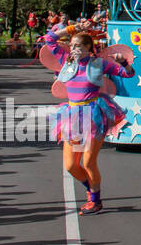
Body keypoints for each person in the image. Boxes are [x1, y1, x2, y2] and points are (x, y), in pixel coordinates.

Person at [39, 26, 134, 214]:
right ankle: (92, 190)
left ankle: (95, 201)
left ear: (88, 48)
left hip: (93, 116)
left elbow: (128, 74)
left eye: (78, 46)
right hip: (72, 116)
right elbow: (49, 39)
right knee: (71, 165)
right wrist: (70, 29)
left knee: (89, 162)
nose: (73, 49)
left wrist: (123, 62)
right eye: (72, 45)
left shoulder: (98, 63)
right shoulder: (67, 61)